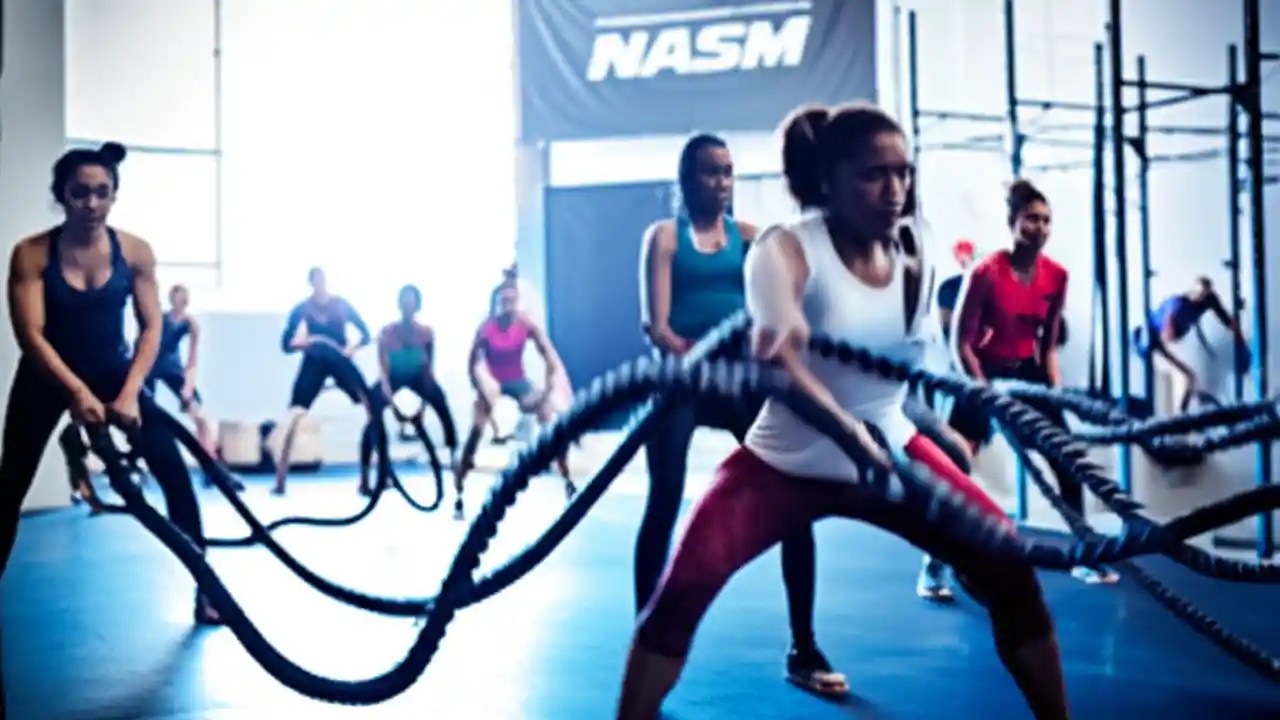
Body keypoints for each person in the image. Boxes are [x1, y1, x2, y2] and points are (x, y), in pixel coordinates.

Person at [615, 104, 1069, 720]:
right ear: (827, 179)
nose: (895, 190)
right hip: (787, 459)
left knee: (1009, 566)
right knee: (683, 588)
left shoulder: (920, 244)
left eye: (903, 173)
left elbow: (895, 369)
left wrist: (929, 432)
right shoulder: (782, 250)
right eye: (873, 175)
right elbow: (782, 360)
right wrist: (853, 439)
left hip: (891, 447)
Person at [636, 133, 842, 694]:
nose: (721, 183)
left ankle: (804, 645)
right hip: (683, 378)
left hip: (739, 379)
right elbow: (657, 327)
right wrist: (695, 361)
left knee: (793, 498)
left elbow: (775, 309)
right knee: (665, 496)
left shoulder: (752, 240)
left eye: (727, 172)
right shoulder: (663, 238)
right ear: (687, 179)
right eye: (709, 173)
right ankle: (645, 639)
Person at [0, 142, 223, 624]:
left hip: (113, 370)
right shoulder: (32, 253)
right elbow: (30, 335)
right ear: (62, 194)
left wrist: (128, 393)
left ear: (114, 195)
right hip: (46, 375)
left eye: (103, 193)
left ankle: (207, 594)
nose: (92, 203)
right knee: (10, 485)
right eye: (81, 193)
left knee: (173, 471)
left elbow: (151, 327)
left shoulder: (135, 251)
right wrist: (76, 393)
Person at [944, 180, 1117, 586]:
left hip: (1027, 377)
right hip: (980, 373)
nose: (1039, 228)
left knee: (1068, 465)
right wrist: (982, 390)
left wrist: (1053, 393)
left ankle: (1085, 555)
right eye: (1030, 220)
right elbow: (961, 342)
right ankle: (935, 564)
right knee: (952, 468)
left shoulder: (1057, 276)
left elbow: (1049, 343)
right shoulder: (985, 272)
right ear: (1012, 223)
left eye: (1045, 220)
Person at [452, 284, 573, 520]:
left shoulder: (525, 324)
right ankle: (459, 492)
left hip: (518, 382)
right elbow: (472, 366)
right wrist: (485, 390)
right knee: (476, 431)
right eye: (503, 302)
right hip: (493, 382)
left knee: (548, 418)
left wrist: (547, 388)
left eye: (511, 302)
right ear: (496, 306)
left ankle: (567, 480)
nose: (508, 307)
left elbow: (548, 354)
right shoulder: (486, 329)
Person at [273, 267, 373, 495]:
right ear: (311, 283)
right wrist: (304, 343)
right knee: (294, 413)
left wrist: (350, 349)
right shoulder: (303, 308)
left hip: (339, 358)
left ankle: (368, 479)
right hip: (315, 360)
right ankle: (280, 481)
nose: (320, 283)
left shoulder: (341, 305)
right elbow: (286, 344)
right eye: (315, 280)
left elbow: (365, 333)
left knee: (371, 406)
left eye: (322, 279)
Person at [358, 284, 459, 495]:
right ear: (399, 305)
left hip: (418, 377)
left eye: (411, 302)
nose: (407, 306)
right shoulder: (387, 332)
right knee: (372, 414)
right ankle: (369, 477)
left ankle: (455, 458)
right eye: (404, 302)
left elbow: (429, 366)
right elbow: (383, 368)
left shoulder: (427, 333)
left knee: (442, 404)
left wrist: (422, 405)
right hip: (393, 376)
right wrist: (386, 391)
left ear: (417, 306)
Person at [1136, 277, 1247, 412]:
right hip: (1149, 342)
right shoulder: (1178, 306)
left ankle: (1182, 411)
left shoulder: (1209, 300)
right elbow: (1167, 338)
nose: (1202, 302)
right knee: (1185, 378)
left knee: (1188, 378)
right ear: (1192, 295)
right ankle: (1179, 416)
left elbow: (1227, 320)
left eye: (1205, 296)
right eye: (1199, 297)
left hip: (1163, 340)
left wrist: (1240, 341)